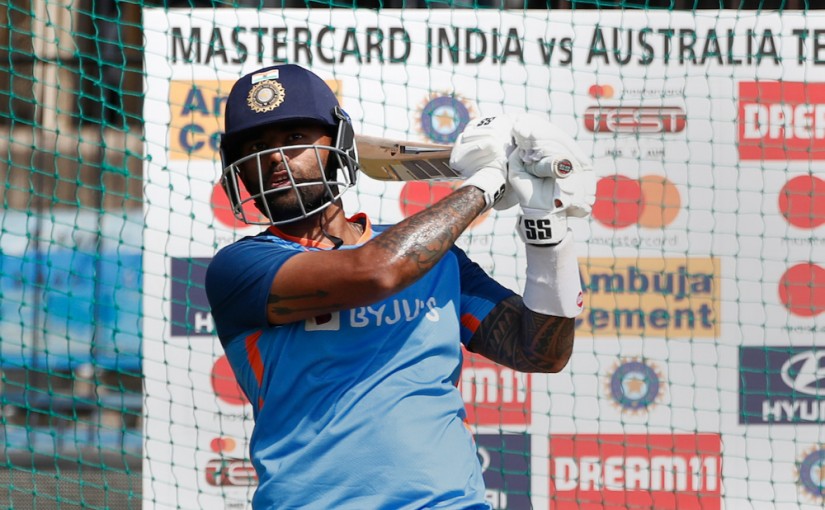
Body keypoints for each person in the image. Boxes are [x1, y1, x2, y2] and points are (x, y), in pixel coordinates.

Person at [205, 63, 595, 509]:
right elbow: (377, 272)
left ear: (338, 146)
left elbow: (539, 351)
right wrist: (487, 181)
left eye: (294, 138)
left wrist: (546, 227)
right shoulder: (240, 268)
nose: (275, 157)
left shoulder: (437, 259)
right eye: (256, 146)